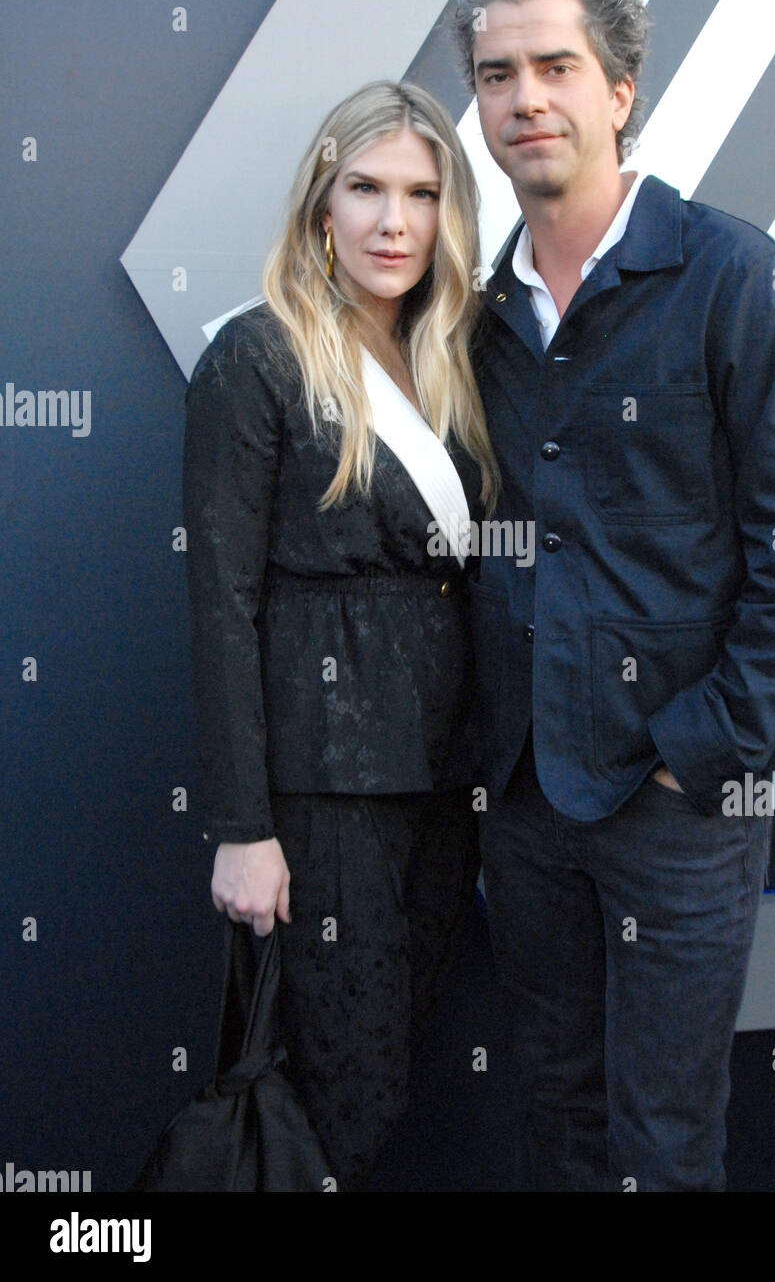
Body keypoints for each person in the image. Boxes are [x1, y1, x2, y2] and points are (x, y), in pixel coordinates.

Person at [450, 0, 775, 1190]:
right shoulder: (479, 315)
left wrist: (703, 750)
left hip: (679, 804)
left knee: (664, 1140)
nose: (525, 98)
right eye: (498, 75)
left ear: (621, 90)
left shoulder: (730, 273)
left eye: (556, 67)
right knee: (559, 1117)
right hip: (525, 802)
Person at [181, 79, 499, 1191]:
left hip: (446, 787)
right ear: (323, 203)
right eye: (366, 188)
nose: (393, 222)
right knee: (336, 1096)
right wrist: (242, 828)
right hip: (320, 798)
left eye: (421, 194)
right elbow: (220, 600)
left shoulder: (458, 357)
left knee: (390, 1081)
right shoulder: (257, 357)